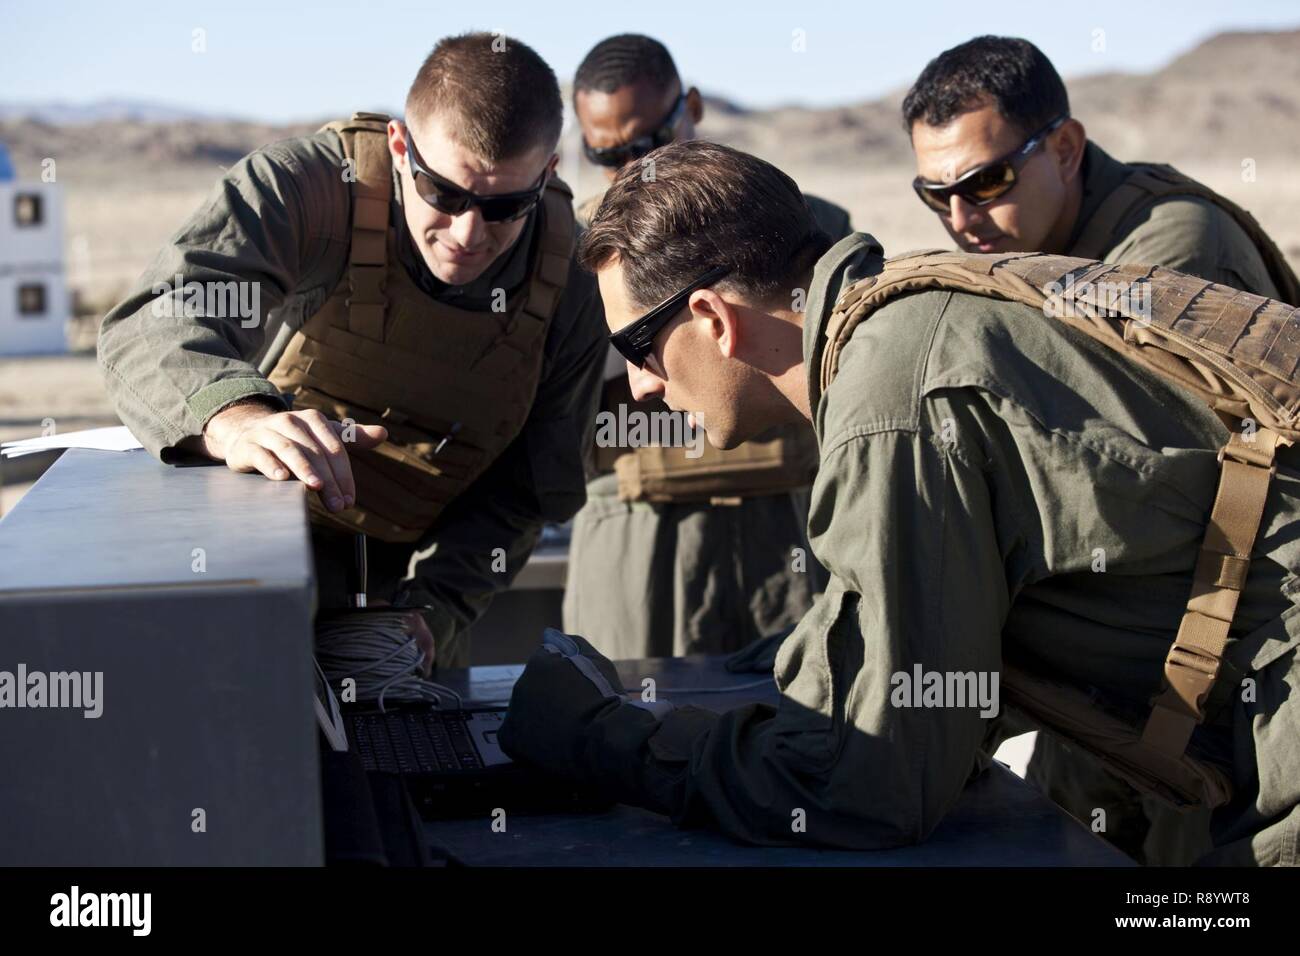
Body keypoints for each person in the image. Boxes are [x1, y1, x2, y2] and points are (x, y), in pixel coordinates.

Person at [498, 140, 1300, 867]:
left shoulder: (891, 400)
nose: (638, 383)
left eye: (638, 346)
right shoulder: (912, 314)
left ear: (710, 317)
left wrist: (600, 741)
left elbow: (873, 785)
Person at [902, 35, 1299, 863]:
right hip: (1121, 686)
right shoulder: (1032, 253)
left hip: (1235, 660)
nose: (962, 218)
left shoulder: (1174, 250)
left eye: (986, 182)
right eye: (935, 195)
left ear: (1067, 147)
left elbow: (1117, 490)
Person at [96, 33, 605, 668]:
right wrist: (237, 419)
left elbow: (530, 489)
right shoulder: (310, 189)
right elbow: (156, 320)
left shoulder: (571, 277)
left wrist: (434, 612)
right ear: (400, 147)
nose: (469, 234)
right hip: (248, 555)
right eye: (444, 195)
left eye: (505, 206)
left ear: (548, 173)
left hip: (399, 611)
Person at [563, 33, 851, 659]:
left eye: (645, 143)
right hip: (641, 526)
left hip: (782, 522)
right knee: (634, 719)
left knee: (805, 715)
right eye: (604, 153)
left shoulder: (792, 217)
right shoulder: (581, 251)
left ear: (689, 106)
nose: (631, 168)